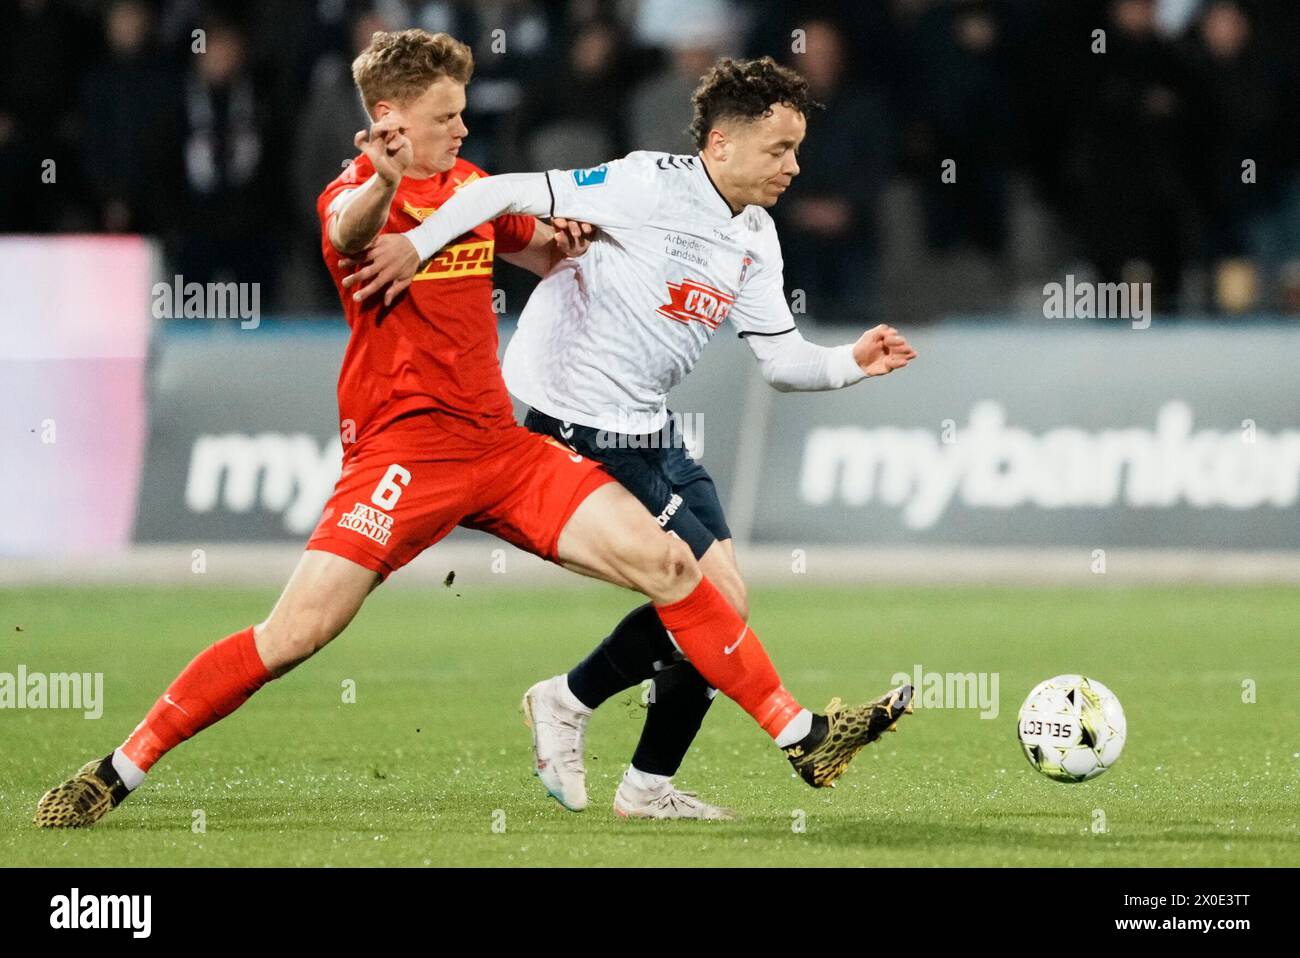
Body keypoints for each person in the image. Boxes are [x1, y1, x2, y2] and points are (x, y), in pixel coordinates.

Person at [34, 32, 911, 829]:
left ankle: (798, 736)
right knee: (292, 636)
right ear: (389, 121)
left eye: (462, 113)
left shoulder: (466, 190)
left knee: (676, 568)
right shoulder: (354, 194)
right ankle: (118, 768)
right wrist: (384, 187)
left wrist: (566, 241)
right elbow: (350, 230)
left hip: (500, 448)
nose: (462, 129)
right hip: (402, 458)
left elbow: (532, 239)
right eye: (446, 116)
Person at [341, 55, 917, 819]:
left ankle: (628, 766)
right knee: (707, 598)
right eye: (779, 149)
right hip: (575, 421)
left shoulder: (755, 236)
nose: (794, 166)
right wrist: (416, 247)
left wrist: (851, 363)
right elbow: (502, 191)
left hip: (650, 427)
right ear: (720, 144)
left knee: (723, 606)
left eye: (797, 149)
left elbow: (780, 360)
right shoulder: (647, 183)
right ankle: (708, 727)